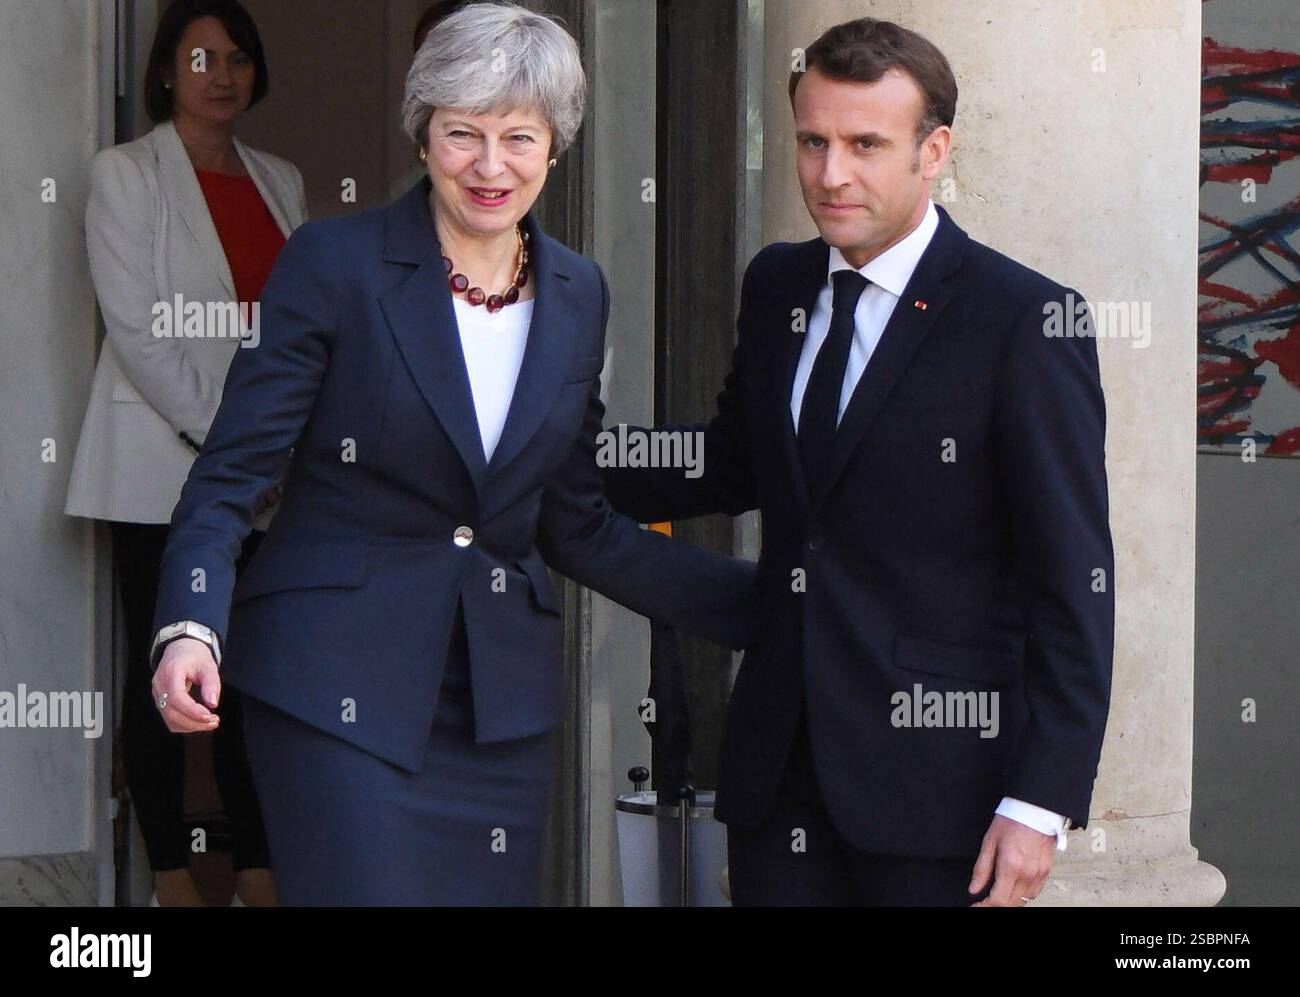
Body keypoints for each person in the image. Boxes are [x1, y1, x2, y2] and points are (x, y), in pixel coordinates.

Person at [147, 2, 757, 906]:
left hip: (496, 709)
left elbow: (574, 520)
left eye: (519, 136)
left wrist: (782, 609)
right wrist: (189, 623)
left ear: (555, 146)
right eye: (461, 133)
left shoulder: (579, 292)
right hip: (333, 686)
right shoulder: (334, 262)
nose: (489, 164)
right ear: (423, 136)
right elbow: (232, 472)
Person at [603, 17, 1115, 907]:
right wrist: (562, 455)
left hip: (941, 793)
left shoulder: (1023, 319)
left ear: (934, 150)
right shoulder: (778, 283)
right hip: (778, 773)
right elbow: (731, 463)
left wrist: (1042, 800)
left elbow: (1073, 580)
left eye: (865, 144)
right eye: (812, 141)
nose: (830, 174)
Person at [64, 0, 299, 907]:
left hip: (266, 474)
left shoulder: (277, 178)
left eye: (238, 58)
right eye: (202, 58)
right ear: (166, 71)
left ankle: (254, 868)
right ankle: (170, 872)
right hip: (161, 465)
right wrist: (232, 444)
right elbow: (140, 332)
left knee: (254, 674)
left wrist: (278, 447)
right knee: (166, 663)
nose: (223, 74)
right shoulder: (124, 175)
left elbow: (295, 333)